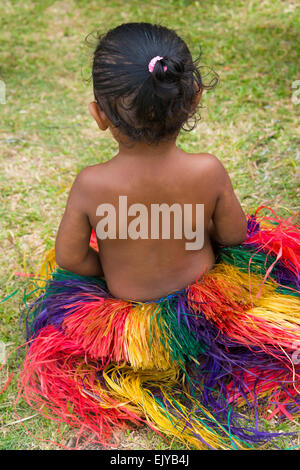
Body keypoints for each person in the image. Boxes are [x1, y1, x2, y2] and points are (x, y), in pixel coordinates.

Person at [55, 22, 247, 301]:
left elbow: (69, 258)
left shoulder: (91, 184)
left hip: (128, 309)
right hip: (200, 303)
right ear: (194, 98)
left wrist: (110, 268)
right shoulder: (208, 170)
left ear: (99, 116)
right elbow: (233, 236)